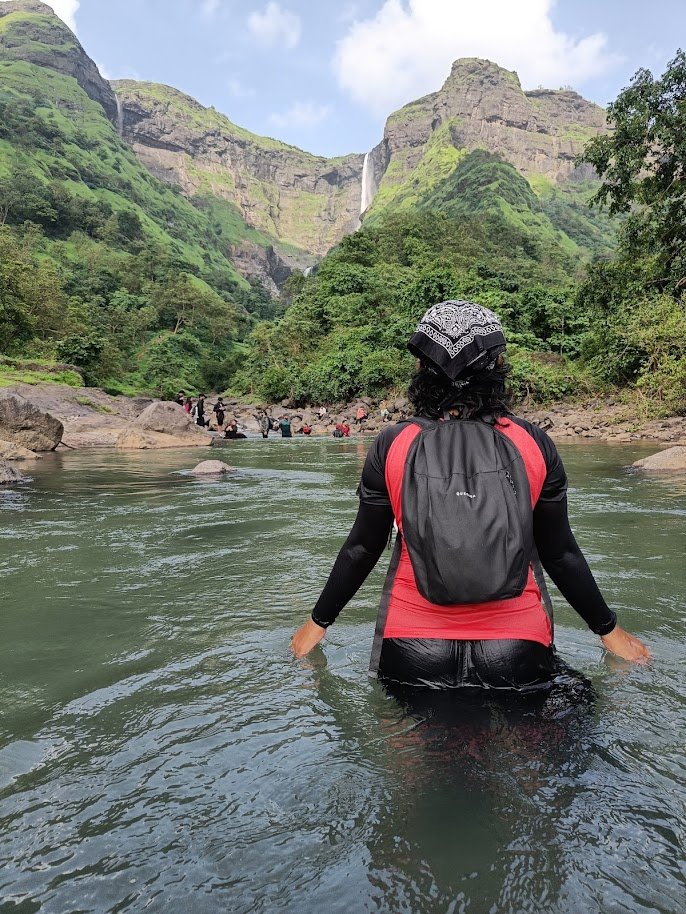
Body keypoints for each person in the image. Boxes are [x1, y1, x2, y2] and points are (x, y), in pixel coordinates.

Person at [291, 300, 650, 687]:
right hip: (516, 648)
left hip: (413, 649)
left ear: (421, 368)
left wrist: (317, 623)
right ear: (498, 365)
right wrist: (608, 630)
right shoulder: (533, 443)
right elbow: (560, 554)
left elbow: (363, 548)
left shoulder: (392, 444)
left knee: (406, 728)